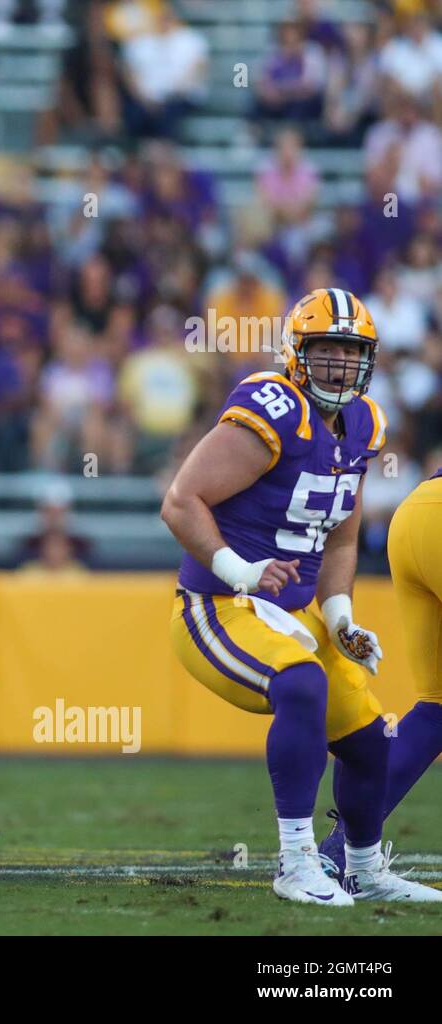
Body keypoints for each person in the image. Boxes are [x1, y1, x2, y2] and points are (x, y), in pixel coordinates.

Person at [162, 287, 438, 904]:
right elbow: (180, 500)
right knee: (302, 684)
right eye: (328, 350)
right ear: (297, 352)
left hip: (294, 612)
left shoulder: (364, 422)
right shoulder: (274, 409)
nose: (340, 365)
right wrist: (240, 570)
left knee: (368, 740)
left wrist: (339, 616)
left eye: (352, 352)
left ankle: (362, 870)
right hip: (217, 606)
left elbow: (340, 537)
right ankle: (295, 861)